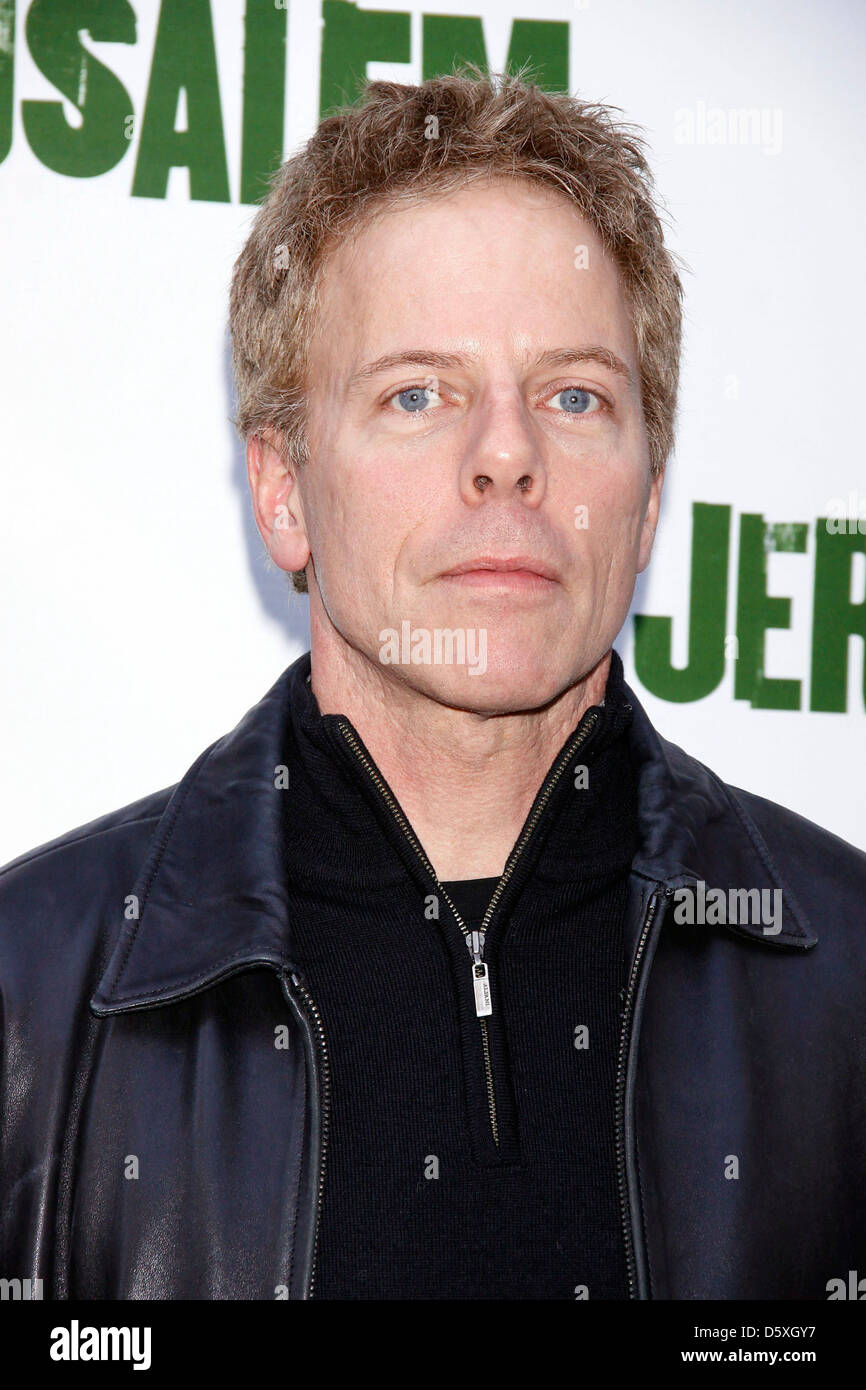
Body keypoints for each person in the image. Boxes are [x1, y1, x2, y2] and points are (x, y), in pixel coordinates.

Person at [2, 69, 864, 1302]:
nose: (507, 454)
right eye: (417, 393)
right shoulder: (31, 998)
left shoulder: (843, 976)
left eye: (574, 396)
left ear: (649, 496)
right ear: (283, 490)